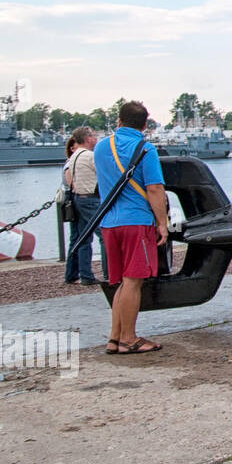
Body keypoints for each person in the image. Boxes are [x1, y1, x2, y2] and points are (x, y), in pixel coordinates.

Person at [95, 101, 169, 354]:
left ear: (118, 121)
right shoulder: (145, 149)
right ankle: (129, 338)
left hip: (108, 223)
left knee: (121, 283)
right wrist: (162, 224)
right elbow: (155, 188)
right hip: (136, 222)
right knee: (133, 282)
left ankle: (114, 338)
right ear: (145, 125)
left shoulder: (101, 147)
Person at [63, 126, 107, 285]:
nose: (96, 139)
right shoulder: (90, 156)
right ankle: (109, 272)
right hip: (91, 199)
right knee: (104, 235)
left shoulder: (74, 156)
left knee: (83, 238)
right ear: (88, 138)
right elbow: (104, 173)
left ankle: (84, 275)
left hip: (78, 198)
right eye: (94, 136)